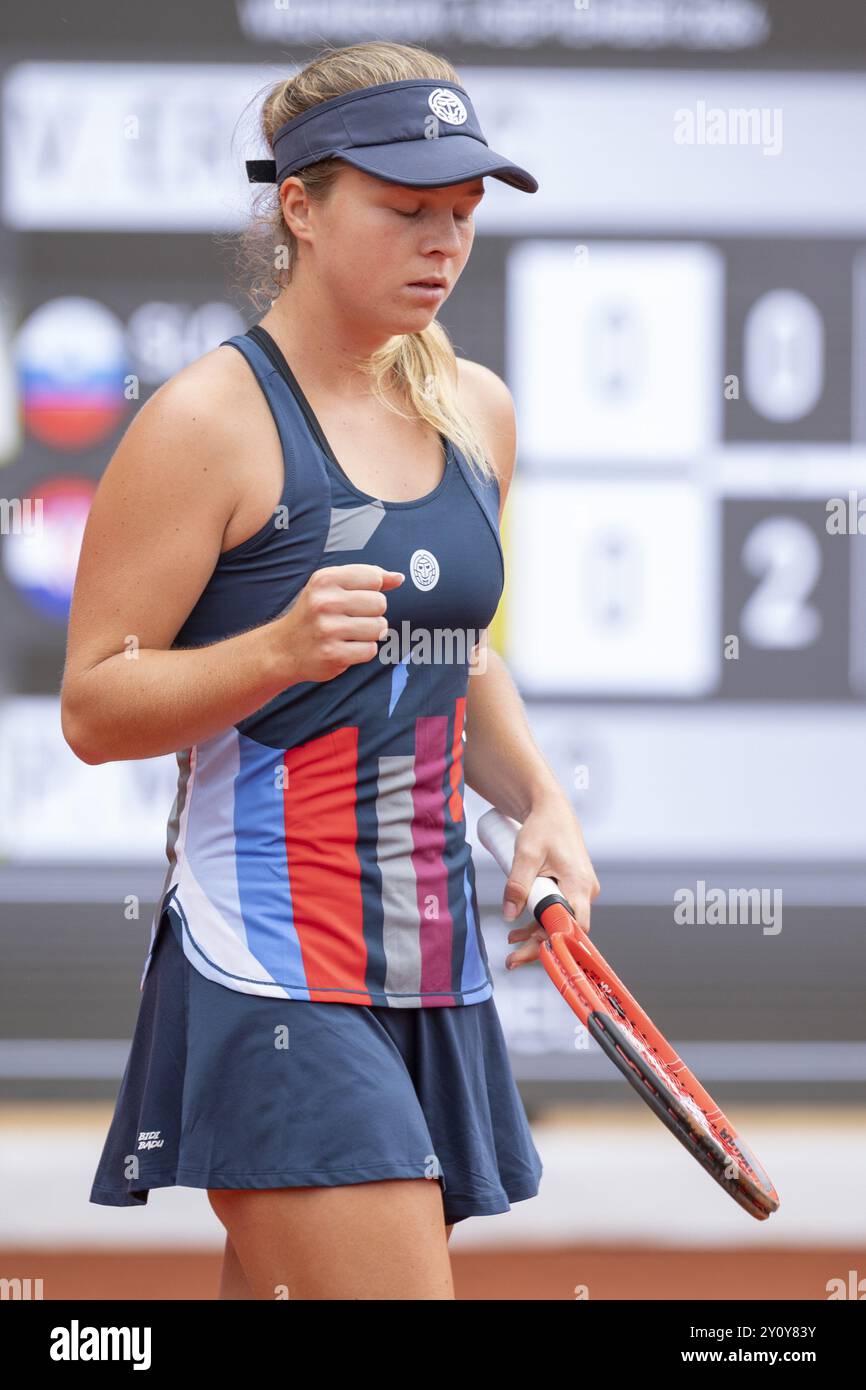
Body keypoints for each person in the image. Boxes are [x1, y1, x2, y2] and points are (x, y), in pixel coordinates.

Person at [61, 41, 600, 1300]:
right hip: (268, 964)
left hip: (426, 957)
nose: (442, 243)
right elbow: (94, 702)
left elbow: (455, 665)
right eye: (405, 209)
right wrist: (269, 651)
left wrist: (544, 805)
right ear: (297, 207)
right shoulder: (206, 422)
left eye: (461, 215)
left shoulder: (476, 411)